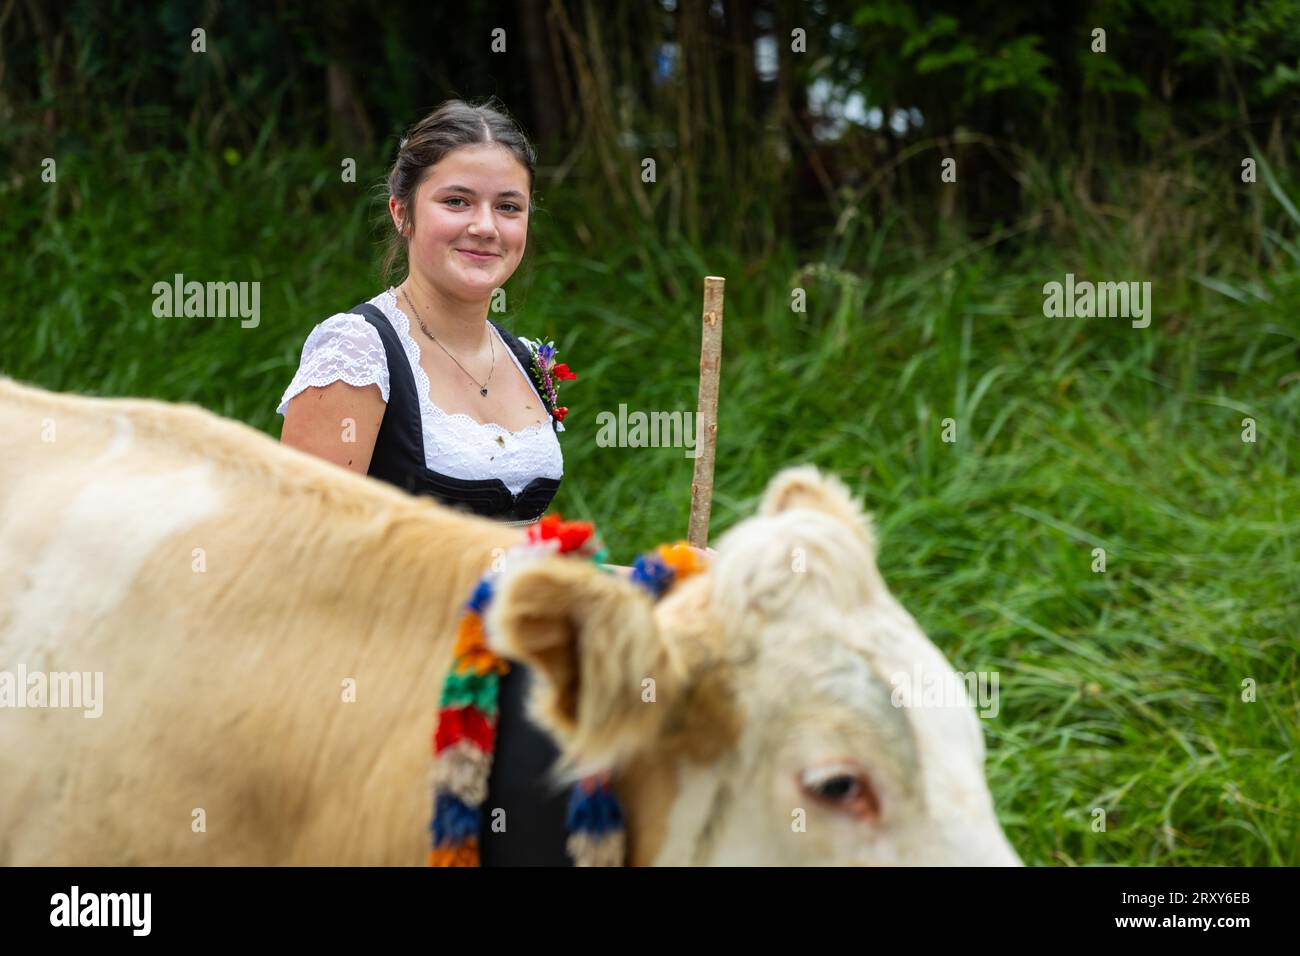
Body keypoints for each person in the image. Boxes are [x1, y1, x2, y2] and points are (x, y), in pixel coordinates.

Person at [277, 98, 711, 865]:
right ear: (402, 212)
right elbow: (306, 560)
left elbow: (525, 548)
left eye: (508, 207)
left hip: (519, 673)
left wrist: (640, 582)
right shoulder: (359, 350)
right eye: (457, 201)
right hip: (394, 693)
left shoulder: (524, 358)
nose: (486, 226)